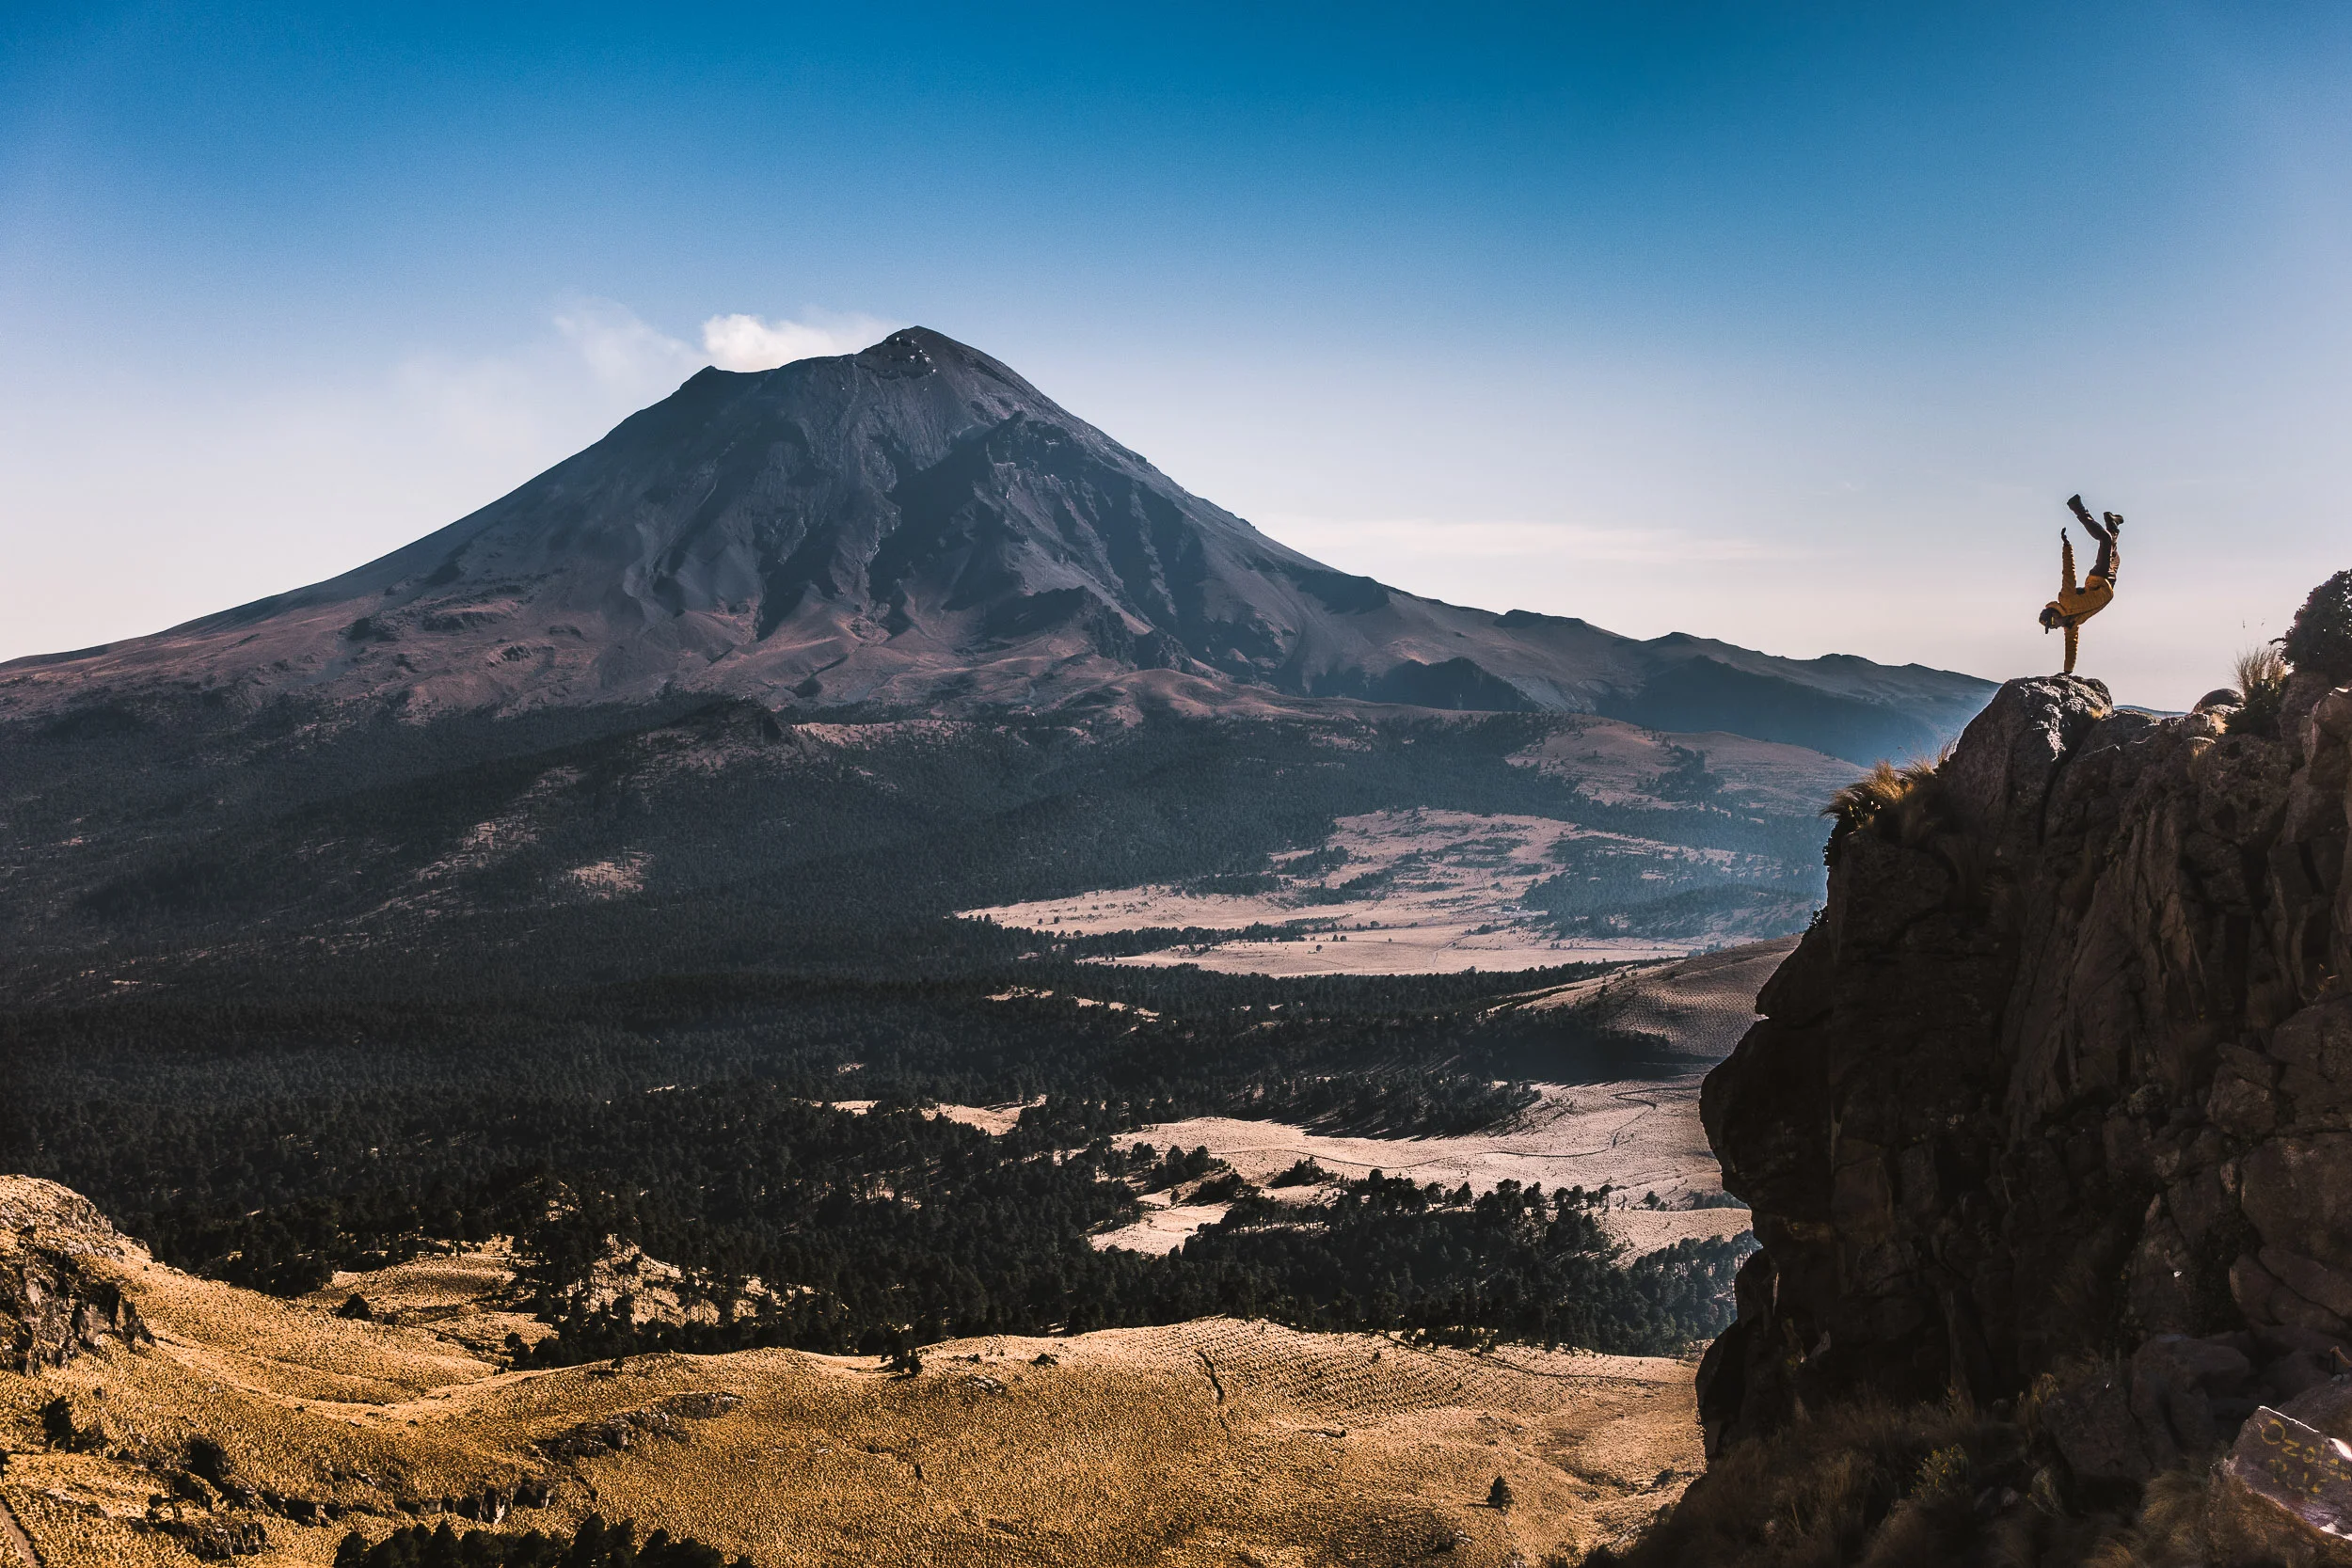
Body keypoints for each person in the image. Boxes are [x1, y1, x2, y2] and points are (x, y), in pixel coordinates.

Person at [2040, 495, 2122, 674]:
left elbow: (2068, 573)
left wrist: (2066, 547)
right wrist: (2067, 672)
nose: (2055, 627)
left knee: (2105, 541)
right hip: (2109, 585)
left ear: (2054, 615)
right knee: (2113, 553)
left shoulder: (2066, 599)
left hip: (2098, 579)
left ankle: (2078, 508)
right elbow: (2071, 648)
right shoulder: (2071, 624)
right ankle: (2112, 524)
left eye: (2053, 623)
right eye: (2052, 628)